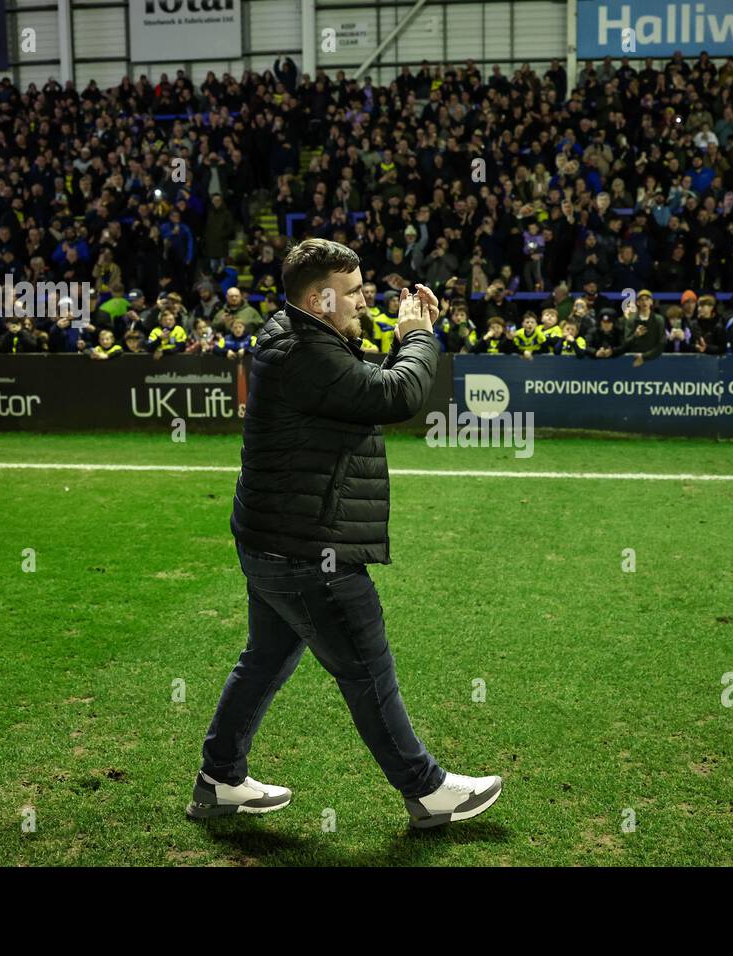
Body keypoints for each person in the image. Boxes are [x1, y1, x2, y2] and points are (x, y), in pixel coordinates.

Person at [192, 238, 502, 829]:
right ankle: (427, 791)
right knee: (365, 666)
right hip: (308, 548)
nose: (365, 300)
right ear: (320, 297)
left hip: (274, 539)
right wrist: (416, 338)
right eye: (355, 291)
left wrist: (407, 337)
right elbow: (395, 394)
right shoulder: (304, 352)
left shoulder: (302, 337)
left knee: (264, 661)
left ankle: (219, 778)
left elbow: (363, 385)